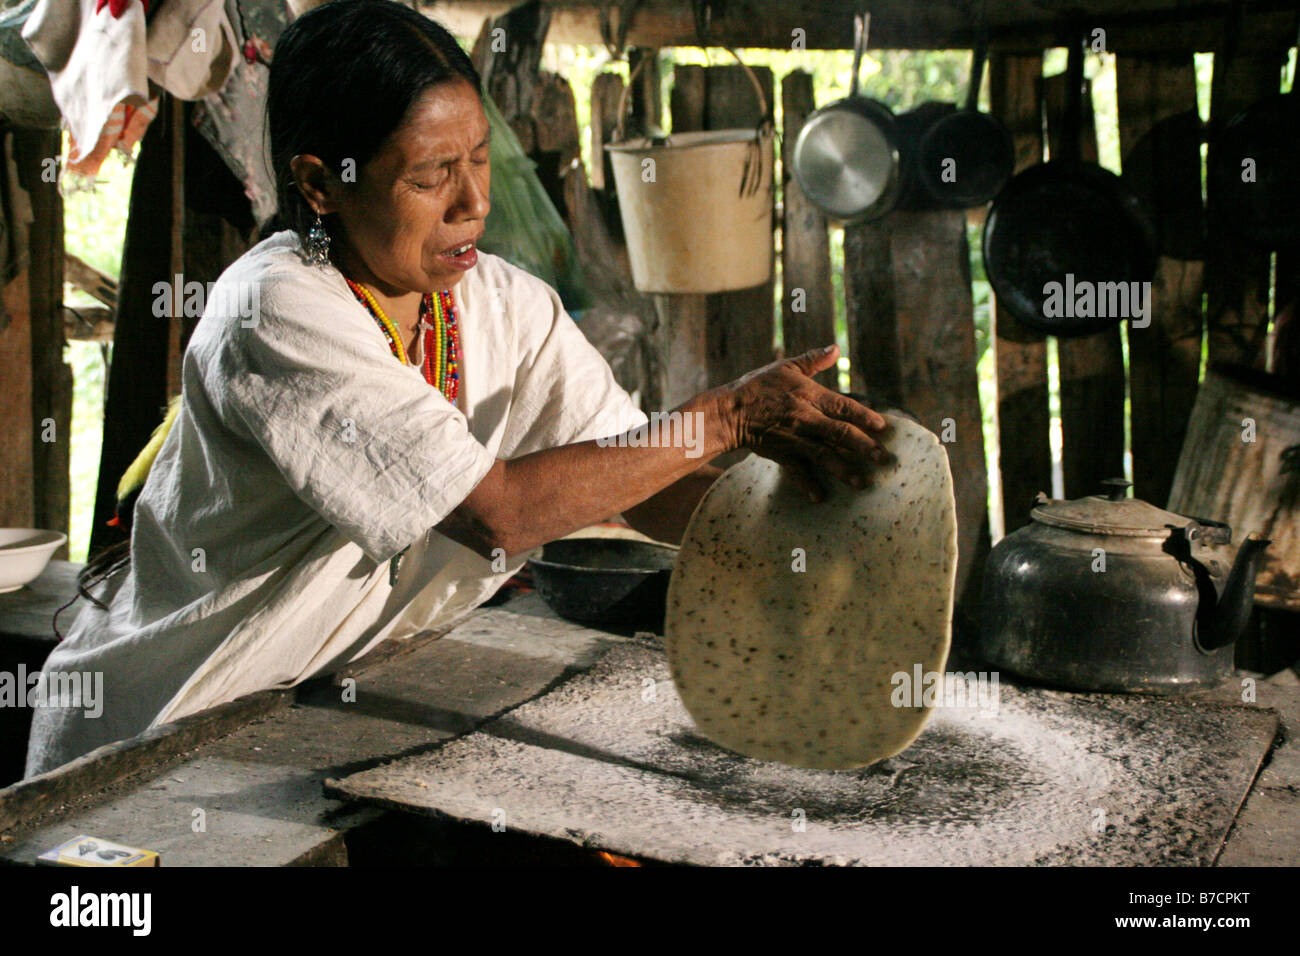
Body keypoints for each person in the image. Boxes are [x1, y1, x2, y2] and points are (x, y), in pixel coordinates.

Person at [24, 0, 887, 777]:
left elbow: (638, 490)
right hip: (162, 734)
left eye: (478, 159)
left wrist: (814, 541)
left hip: (307, 713)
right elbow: (498, 513)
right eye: (430, 175)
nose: (474, 201)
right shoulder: (277, 307)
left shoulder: (503, 303)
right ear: (322, 182)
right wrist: (726, 416)